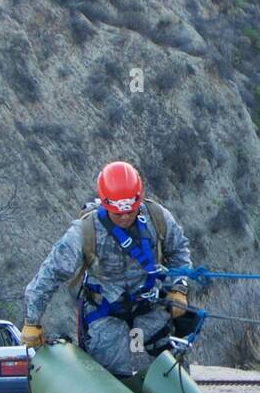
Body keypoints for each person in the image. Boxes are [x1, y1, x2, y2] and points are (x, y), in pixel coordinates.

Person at [21, 161, 193, 379]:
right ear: (104, 203)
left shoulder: (157, 218)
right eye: (116, 213)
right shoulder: (84, 232)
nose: (123, 217)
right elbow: (50, 274)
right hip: (105, 312)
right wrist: (32, 321)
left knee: (172, 369)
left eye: (129, 211)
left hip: (149, 305)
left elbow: (179, 250)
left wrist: (178, 287)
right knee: (109, 378)